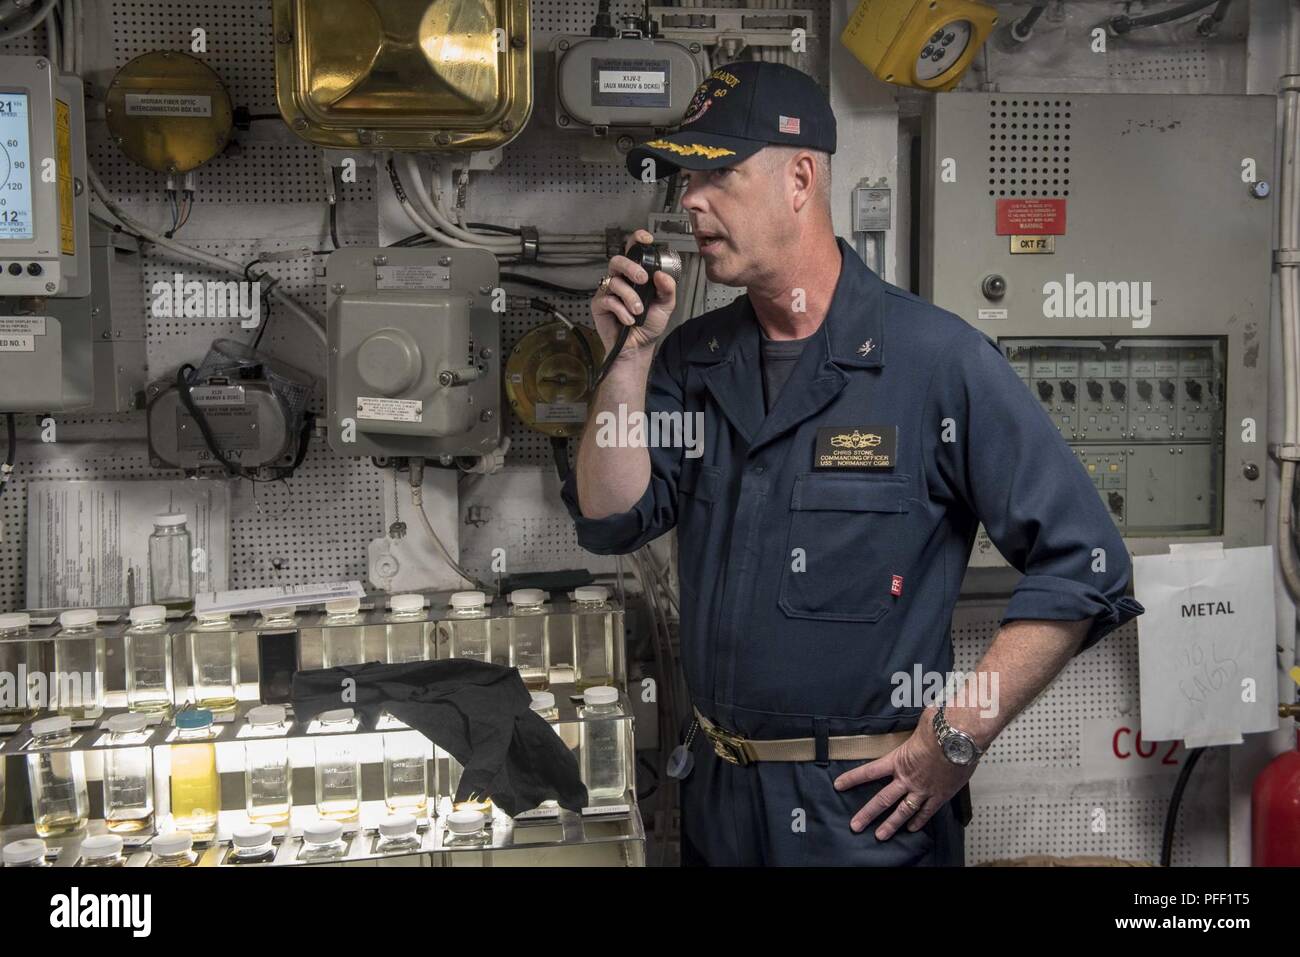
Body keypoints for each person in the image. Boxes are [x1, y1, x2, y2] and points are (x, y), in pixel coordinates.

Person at [560, 60, 1144, 865]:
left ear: (800, 178)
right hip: (719, 805)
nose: (690, 199)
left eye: (718, 174)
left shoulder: (937, 362)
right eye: (686, 177)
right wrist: (624, 360)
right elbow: (612, 515)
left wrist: (958, 734)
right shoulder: (692, 358)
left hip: (862, 816)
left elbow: (1088, 563)